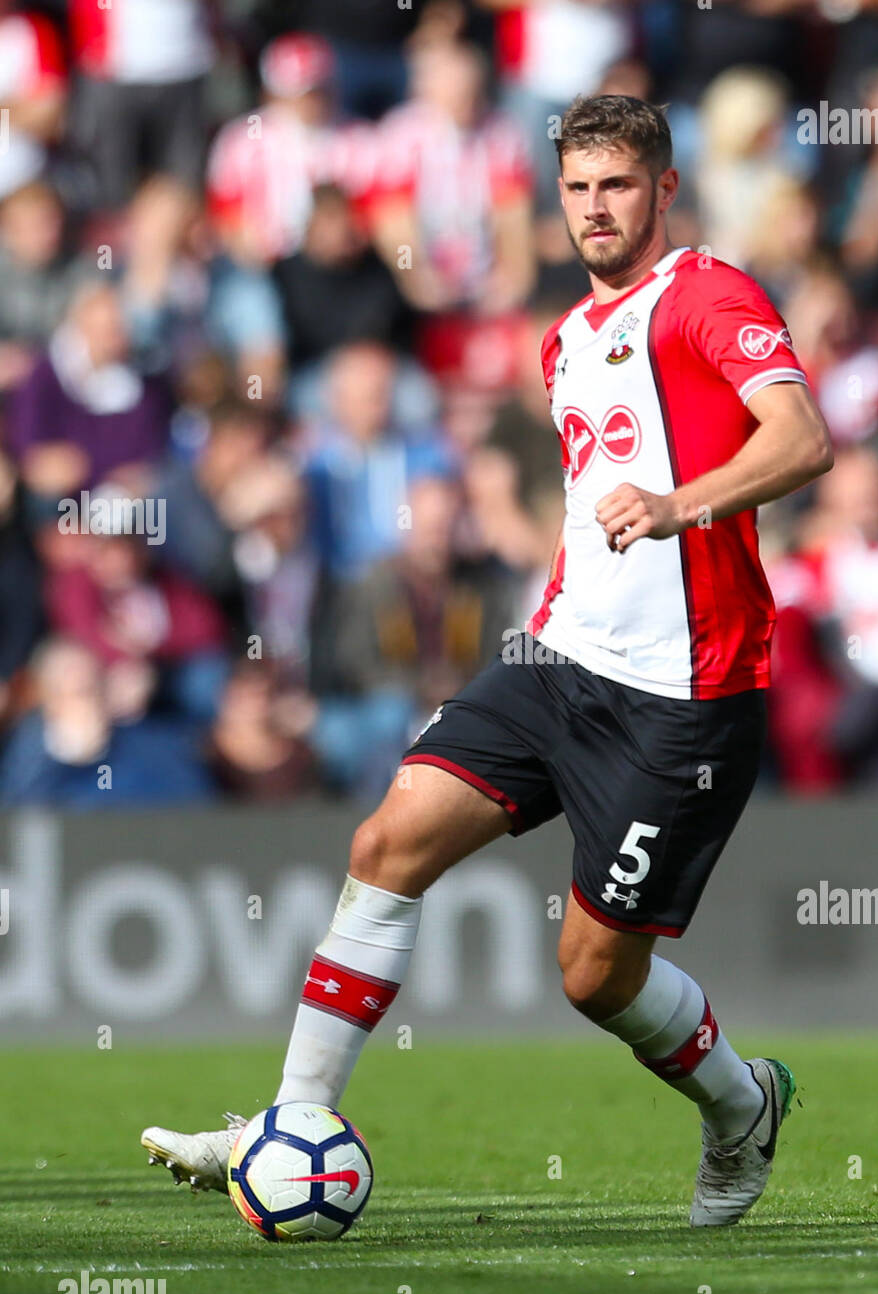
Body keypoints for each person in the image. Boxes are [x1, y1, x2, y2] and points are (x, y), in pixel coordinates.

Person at [140, 94, 834, 1228]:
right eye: (575, 188)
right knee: (388, 838)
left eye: (616, 185)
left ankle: (739, 1101)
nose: (593, 209)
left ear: (663, 188)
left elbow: (801, 437)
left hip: (683, 695)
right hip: (558, 660)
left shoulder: (710, 295)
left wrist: (676, 506)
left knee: (592, 976)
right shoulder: (560, 340)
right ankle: (296, 1118)